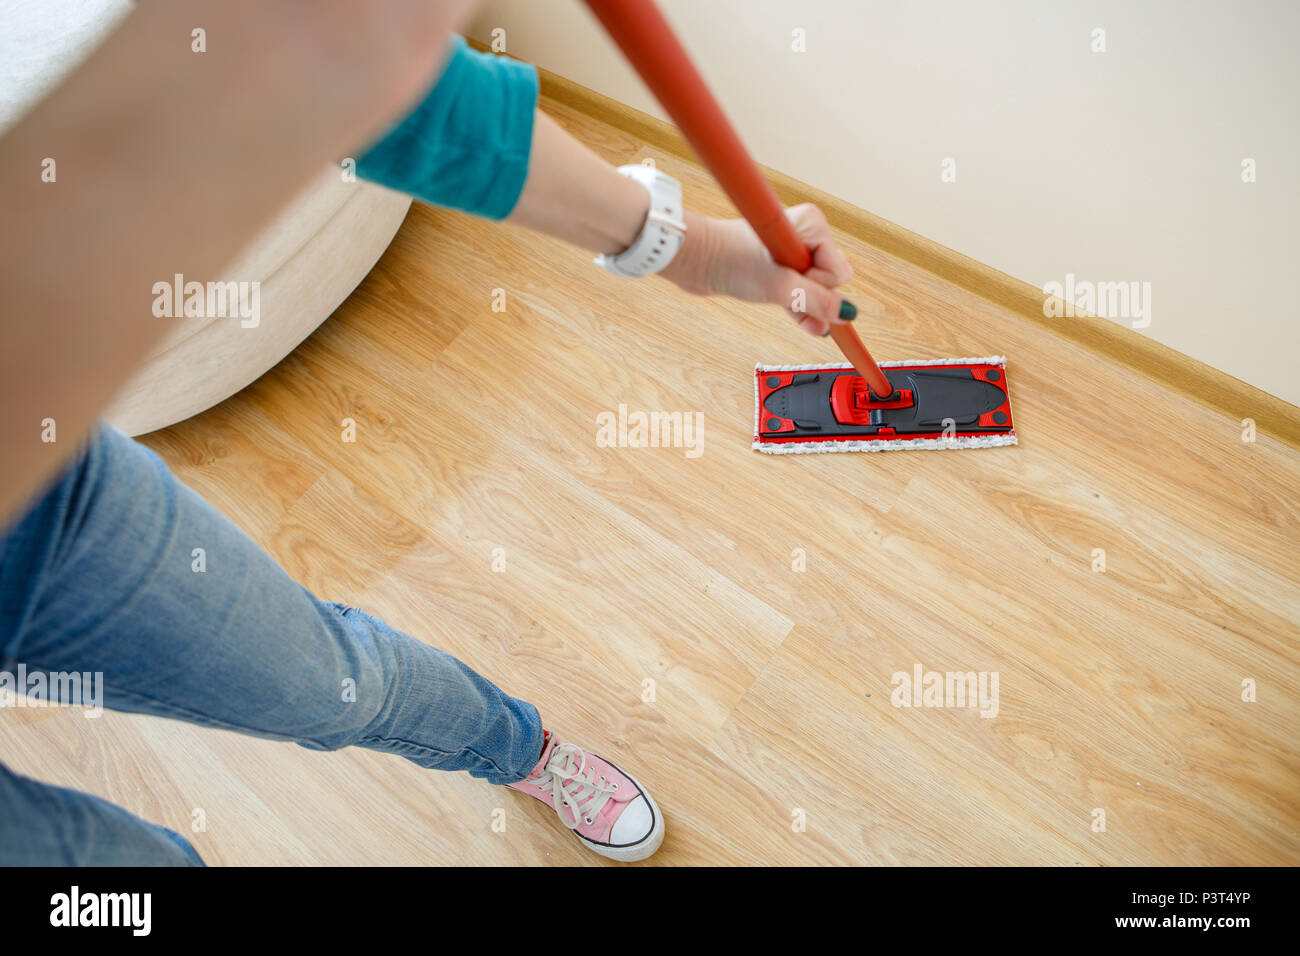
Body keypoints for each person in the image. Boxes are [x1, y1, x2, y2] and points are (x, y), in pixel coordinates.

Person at [0, 0, 857, 864]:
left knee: (326, 687)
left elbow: (330, 63)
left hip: (33, 517)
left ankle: (523, 753)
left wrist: (698, 251)